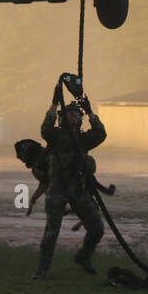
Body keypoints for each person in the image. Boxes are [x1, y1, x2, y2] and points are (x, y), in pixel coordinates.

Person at [32, 92, 106, 279]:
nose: (73, 117)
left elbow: (101, 134)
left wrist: (90, 111)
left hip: (79, 189)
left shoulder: (83, 139)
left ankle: (84, 257)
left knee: (97, 228)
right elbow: (45, 129)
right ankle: (42, 270)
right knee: (51, 232)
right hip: (58, 189)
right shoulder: (55, 137)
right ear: (62, 118)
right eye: (69, 114)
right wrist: (54, 104)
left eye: (76, 114)